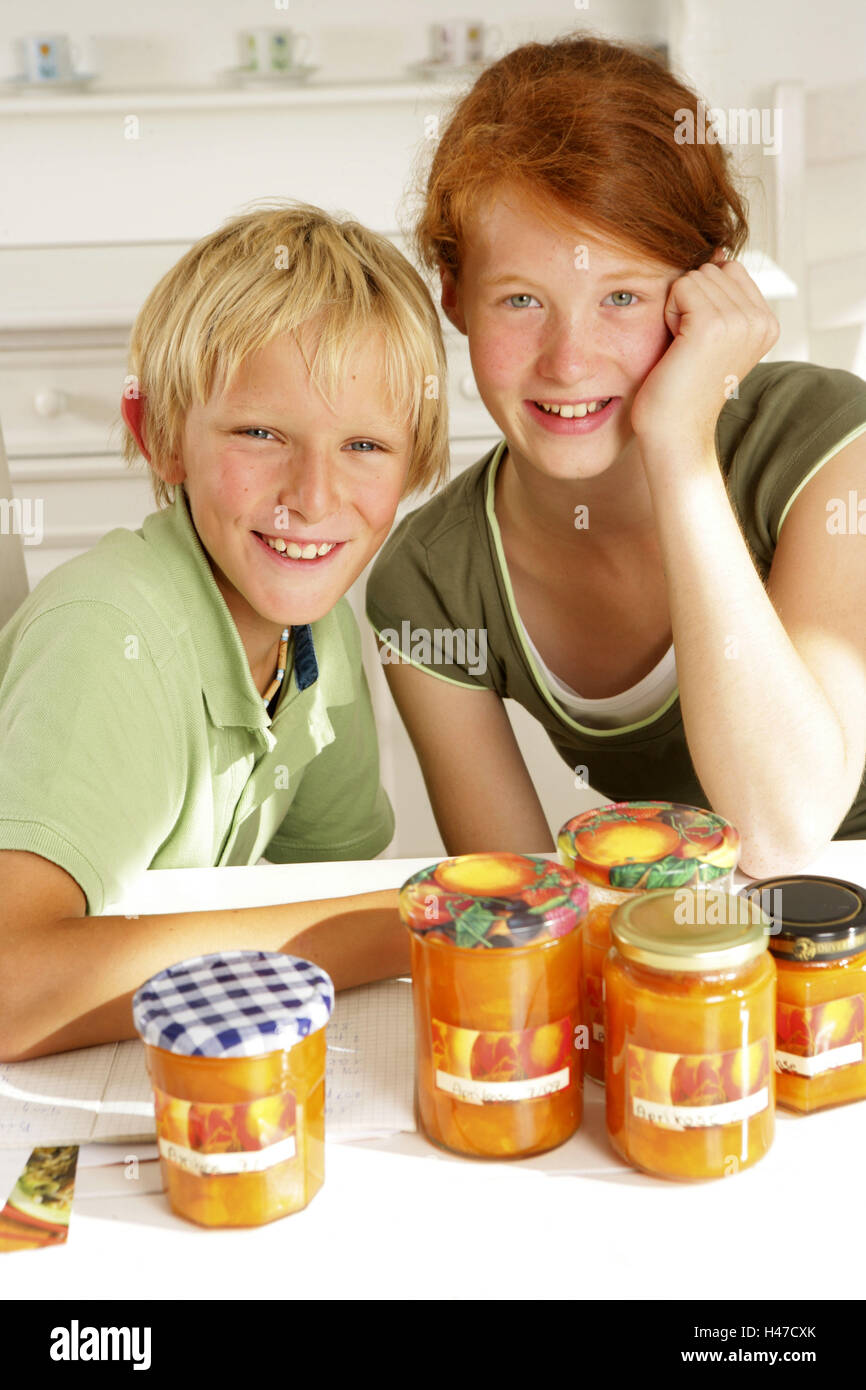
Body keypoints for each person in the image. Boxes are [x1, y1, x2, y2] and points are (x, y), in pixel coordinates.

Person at [367, 34, 866, 877]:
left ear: (706, 293)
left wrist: (681, 450)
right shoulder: (430, 587)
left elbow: (785, 828)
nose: (568, 361)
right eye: (521, 300)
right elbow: (512, 911)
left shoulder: (826, 444)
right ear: (454, 296)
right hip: (702, 942)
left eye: (623, 296)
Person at [0, 201, 448, 1060]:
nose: (313, 497)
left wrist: (383, 922)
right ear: (161, 437)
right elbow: (11, 986)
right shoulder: (109, 636)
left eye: (363, 445)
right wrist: (409, 925)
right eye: (260, 433)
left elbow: (334, 881)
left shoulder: (318, 631)